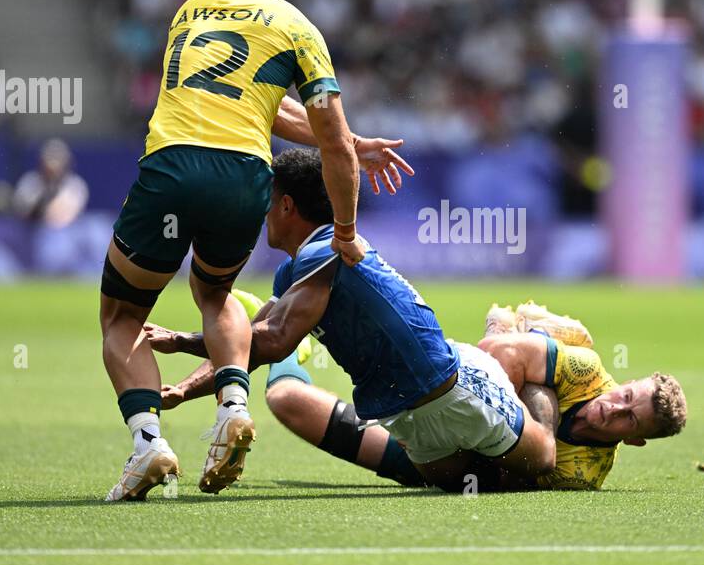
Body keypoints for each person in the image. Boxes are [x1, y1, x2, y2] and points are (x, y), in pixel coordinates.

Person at [100, 0, 411, 501]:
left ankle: (147, 445)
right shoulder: (296, 24)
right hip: (243, 175)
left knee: (122, 317)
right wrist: (345, 228)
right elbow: (310, 130)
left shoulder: (189, 11)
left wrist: (337, 137)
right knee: (215, 296)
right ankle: (233, 407)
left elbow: (243, 100)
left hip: (171, 165)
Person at [144, 148, 558, 493]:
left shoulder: (325, 250)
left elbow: (273, 341)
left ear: (287, 205)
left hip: (451, 388)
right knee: (485, 484)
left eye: (267, 202)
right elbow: (243, 347)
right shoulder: (292, 273)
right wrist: (183, 389)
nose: (262, 212)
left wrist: (181, 340)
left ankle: (537, 358)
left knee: (544, 460)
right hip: (406, 419)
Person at [157, 301, 688, 491]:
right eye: (626, 395)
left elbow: (504, 478)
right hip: (469, 393)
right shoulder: (586, 370)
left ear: (634, 443)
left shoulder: (587, 474)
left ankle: (269, 327)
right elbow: (496, 352)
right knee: (505, 348)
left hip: (440, 461)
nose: (613, 405)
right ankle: (263, 321)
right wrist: (536, 414)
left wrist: (531, 400)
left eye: (627, 419)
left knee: (286, 402)